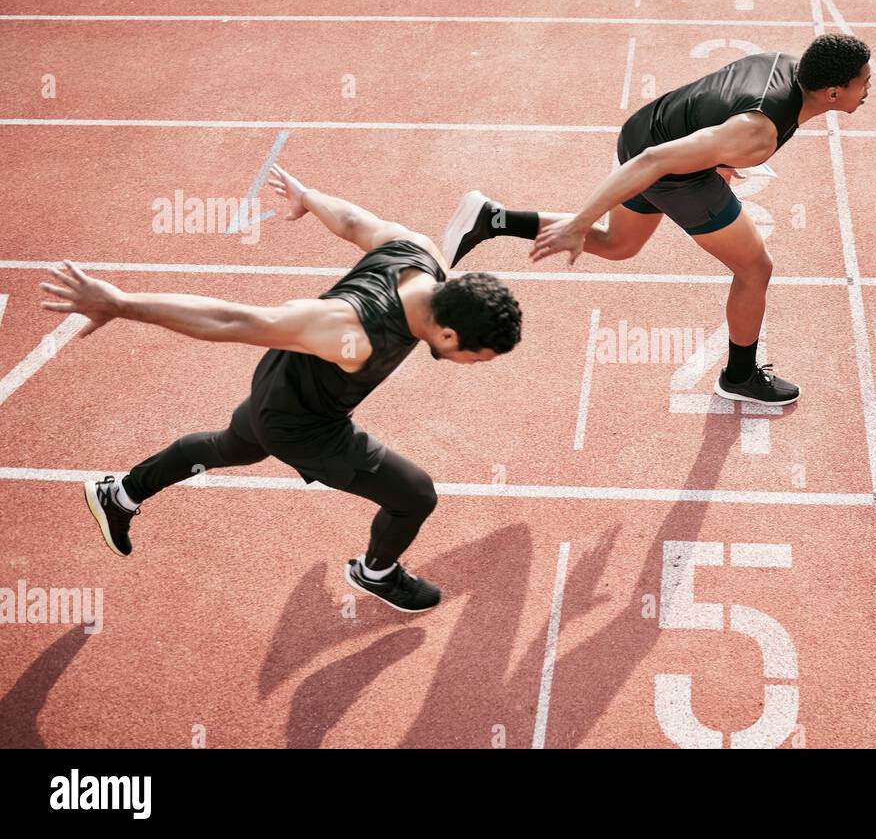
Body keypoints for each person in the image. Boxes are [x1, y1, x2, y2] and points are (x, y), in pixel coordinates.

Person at [40, 165, 522, 613]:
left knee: (233, 447)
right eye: (476, 358)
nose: (474, 367)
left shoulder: (421, 254)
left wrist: (309, 198)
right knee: (415, 495)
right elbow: (234, 319)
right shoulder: (351, 331)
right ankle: (376, 573)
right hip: (305, 425)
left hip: (280, 387)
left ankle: (120, 494)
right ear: (450, 335)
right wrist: (122, 304)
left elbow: (355, 222)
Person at [442, 33, 871, 406]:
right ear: (833, 93)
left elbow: (710, 99)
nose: (869, 89)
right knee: (755, 268)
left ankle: (492, 219)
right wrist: (577, 222)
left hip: (644, 129)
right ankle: (739, 377)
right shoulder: (756, 135)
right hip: (664, 167)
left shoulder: (782, 62)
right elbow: (656, 161)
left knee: (618, 246)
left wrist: (713, 155)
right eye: (863, 83)